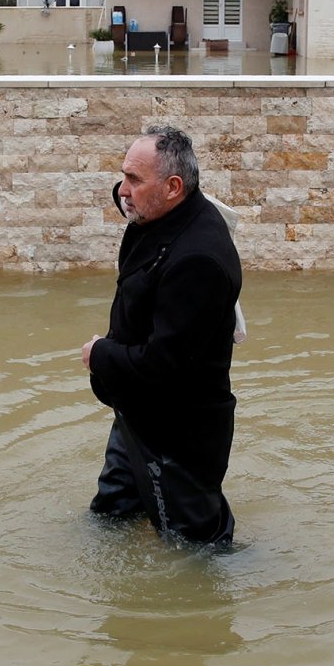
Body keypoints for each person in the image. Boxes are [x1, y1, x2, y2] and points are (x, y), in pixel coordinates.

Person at [82, 126, 242, 546]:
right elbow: (132, 198)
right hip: (136, 406)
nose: (122, 191)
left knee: (197, 549)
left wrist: (99, 355)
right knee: (112, 515)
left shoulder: (199, 261)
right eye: (123, 176)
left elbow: (164, 366)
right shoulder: (163, 209)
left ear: (173, 188)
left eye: (134, 180)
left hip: (178, 434)